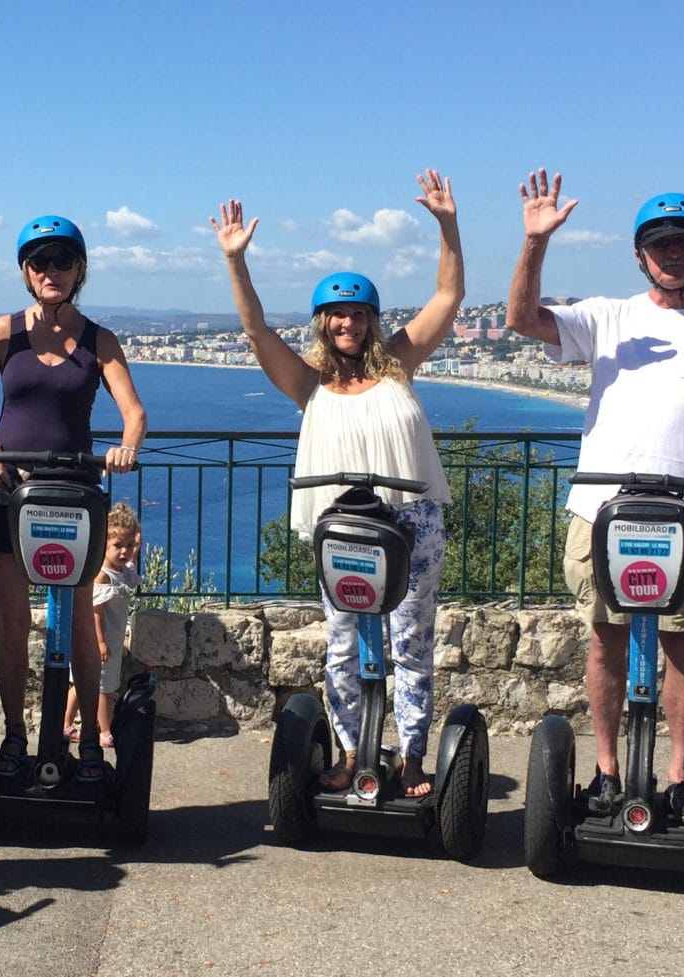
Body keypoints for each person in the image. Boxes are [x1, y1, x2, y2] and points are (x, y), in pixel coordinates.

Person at [504, 171, 684, 823]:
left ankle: (678, 775)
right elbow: (520, 319)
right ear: (639, 253)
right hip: (602, 515)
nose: (671, 252)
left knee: (682, 646)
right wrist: (535, 243)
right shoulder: (608, 318)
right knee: (605, 640)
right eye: (659, 243)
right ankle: (607, 771)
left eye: (683, 241)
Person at [214, 170, 463, 796]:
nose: (347, 324)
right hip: (342, 528)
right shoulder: (308, 383)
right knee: (345, 642)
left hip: (412, 520)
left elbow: (447, 297)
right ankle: (351, 752)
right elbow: (255, 332)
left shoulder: (400, 362)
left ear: (371, 321)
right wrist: (236, 263)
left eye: (357, 314)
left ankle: (409, 755)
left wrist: (446, 224)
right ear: (322, 324)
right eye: (335, 315)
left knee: (410, 639)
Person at [0, 215, 147, 785]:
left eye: (62, 260)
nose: (51, 271)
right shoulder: (4, 332)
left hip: (74, 494)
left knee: (81, 621)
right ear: (25, 272)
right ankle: (13, 733)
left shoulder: (98, 340)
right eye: (40, 262)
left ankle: (85, 742)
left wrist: (124, 448)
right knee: (12, 622)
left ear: (80, 269)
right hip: (6, 491)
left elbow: (134, 412)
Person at [63, 503, 142, 748]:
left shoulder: (121, 571)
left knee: (81, 684)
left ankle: (65, 724)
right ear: (104, 545)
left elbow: (131, 564)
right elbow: (94, 611)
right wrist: (99, 642)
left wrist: (136, 545)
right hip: (102, 641)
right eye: (117, 546)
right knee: (103, 689)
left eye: (128, 546)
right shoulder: (103, 575)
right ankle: (104, 731)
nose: (124, 552)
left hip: (112, 640)